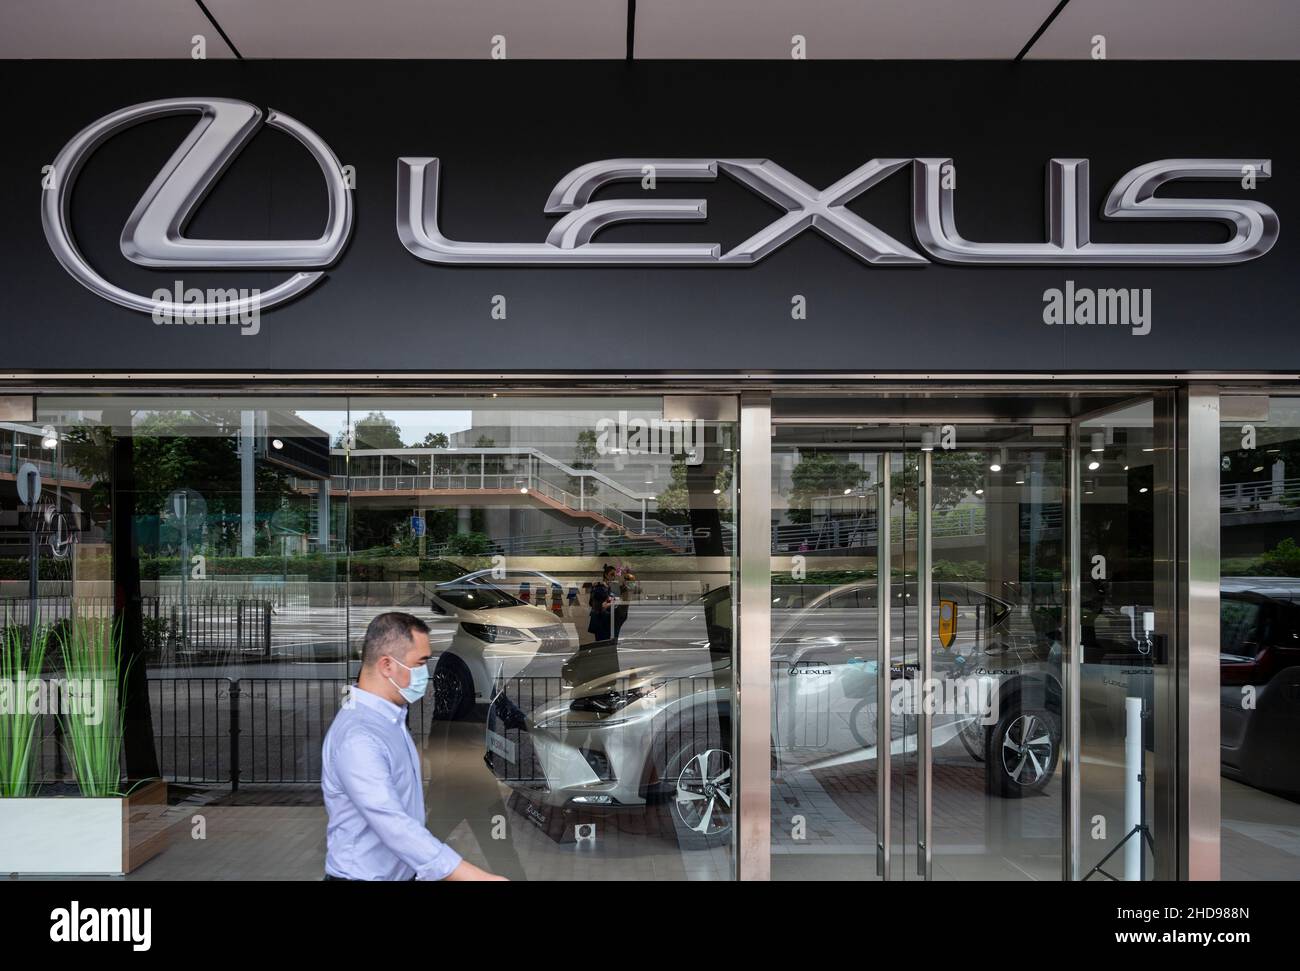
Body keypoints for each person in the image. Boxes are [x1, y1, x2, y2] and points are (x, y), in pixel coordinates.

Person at [321, 611, 504, 881]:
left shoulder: (390, 718)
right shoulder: (359, 737)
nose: (424, 674)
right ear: (387, 666)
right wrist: (473, 876)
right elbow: (394, 825)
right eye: (419, 663)